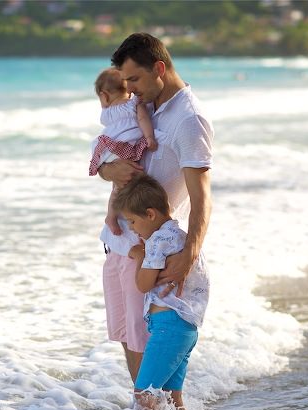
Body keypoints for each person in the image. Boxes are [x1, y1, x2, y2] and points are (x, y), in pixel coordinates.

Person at [94, 33, 213, 389]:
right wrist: (106, 170)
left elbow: (201, 196)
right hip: (118, 244)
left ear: (159, 68)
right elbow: (114, 155)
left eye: (134, 79)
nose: (128, 88)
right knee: (128, 338)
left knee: (146, 346)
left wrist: (189, 252)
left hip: (147, 251)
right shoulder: (146, 106)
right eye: (124, 81)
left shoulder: (188, 120)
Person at [112, 174, 209, 410]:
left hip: (168, 326)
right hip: (186, 327)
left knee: (144, 394)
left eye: (133, 222)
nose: (133, 229)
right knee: (172, 396)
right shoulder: (183, 238)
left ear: (150, 214)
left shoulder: (157, 241)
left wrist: (138, 255)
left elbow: (143, 285)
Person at [89, 68, 158, 238]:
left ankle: (112, 217)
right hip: (128, 148)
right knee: (126, 185)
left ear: (104, 95)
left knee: (118, 187)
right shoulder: (135, 104)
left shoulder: (105, 113)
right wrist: (149, 138)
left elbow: (109, 130)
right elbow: (143, 120)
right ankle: (120, 219)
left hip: (110, 151)